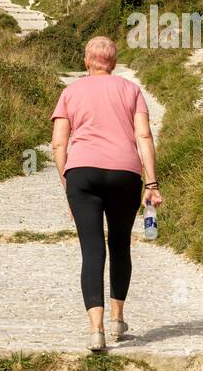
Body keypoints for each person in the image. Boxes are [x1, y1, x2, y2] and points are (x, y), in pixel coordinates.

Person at [51, 36, 163, 351]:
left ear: (87, 61)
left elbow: (59, 143)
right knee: (119, 244)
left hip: (82, 174)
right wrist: (151, 183)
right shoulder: (130, 90)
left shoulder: (70, 92)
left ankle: (96, 329)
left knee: (92, 248)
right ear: (113, 63)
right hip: (125, 174)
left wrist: (67, 182)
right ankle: (117, 319)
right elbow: (143, 134)